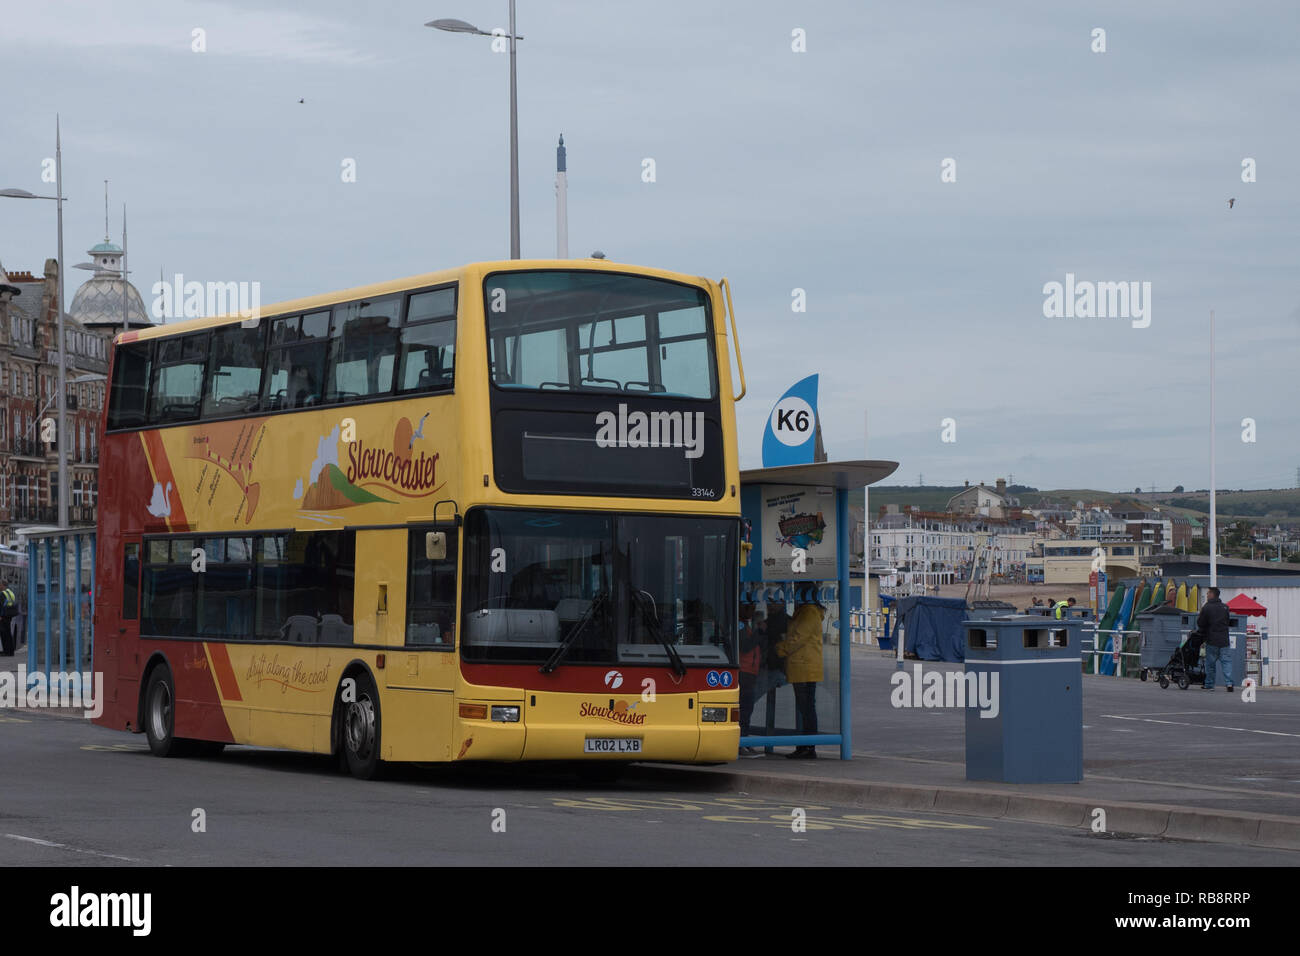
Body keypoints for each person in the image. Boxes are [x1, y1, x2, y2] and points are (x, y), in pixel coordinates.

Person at [776, 597, 825, 759]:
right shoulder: (805, 612)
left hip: (805, 667)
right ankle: (805, 746)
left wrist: (779, 650)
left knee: (807, 708)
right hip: (803, 667)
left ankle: (808, 747)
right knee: (805, 708)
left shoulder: (809, 612)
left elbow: (798, 637)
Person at [737, 606, 763, 757]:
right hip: (744, 672)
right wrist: (759, 631)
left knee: (747, 709)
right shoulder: (740, 625)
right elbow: (745, 646)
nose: (752, 609)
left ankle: (744, 740)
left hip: (750, 671)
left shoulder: (746, 624)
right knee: (744, 709)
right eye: (748, 606)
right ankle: (741, 742)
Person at [1196, 586, 1233, 692]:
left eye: (1208, 593)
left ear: (1212, 594)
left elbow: (1201, 623)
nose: (1207, 595)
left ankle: (1209, 684)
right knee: (1226, 662)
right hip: (1224, 640)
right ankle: (1229, 683)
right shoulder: (1225, 607)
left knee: (1210, 664)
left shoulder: (1207, 607)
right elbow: (1227, 621)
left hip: (1212, 640)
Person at [0, 578, 18, 656]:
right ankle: (11, 651)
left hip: (3, 616)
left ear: (2, 585)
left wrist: (0, 615)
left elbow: (1, 606)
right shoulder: (11, 592)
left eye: (0, 584)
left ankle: (6, 652)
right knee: (8, 634)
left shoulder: (2, 593)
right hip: (9, 615)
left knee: (4, 635)